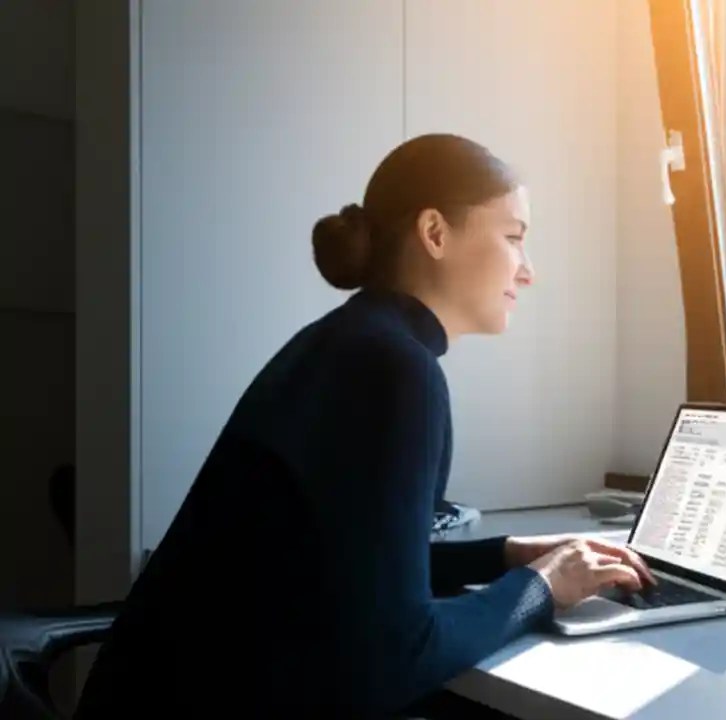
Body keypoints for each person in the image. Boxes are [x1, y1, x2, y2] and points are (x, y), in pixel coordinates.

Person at [74, 134, 655, 718]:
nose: (527, 271)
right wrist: (542, 588)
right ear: (435, 233)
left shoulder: (352, 340)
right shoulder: (395, 368)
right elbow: (396, 653)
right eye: (513, 237)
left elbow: (354, 564)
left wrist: (506, 556)